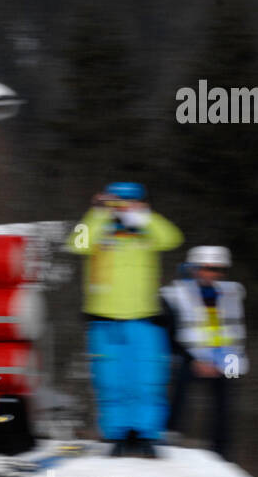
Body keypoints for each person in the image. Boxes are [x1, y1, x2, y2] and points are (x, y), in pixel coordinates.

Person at [66, 182, 183, 457]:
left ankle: (146, 435)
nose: (122, 208)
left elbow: (172, 238)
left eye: (128, 202)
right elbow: (77, 244)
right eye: (117, 202)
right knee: (110, 380)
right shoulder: (97, 227)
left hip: (144, 318)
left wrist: (145, 216)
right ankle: (117, 434)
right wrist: (96, 213)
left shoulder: (148, 229)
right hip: (104, 319)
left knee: (145, 379)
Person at [161, 246, 247, 460]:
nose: (214, 275)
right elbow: (171, 336)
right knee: (178, 382)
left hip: (227, 357)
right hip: (190, 356)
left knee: (228, 399)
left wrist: (226, 363)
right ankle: (169, 435)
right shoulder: (175, 296)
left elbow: (237, 331)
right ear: (195, 269)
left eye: (219, 270)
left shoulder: (232, 294)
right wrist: (195, 359)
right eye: (208, 269)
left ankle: (223, 451)